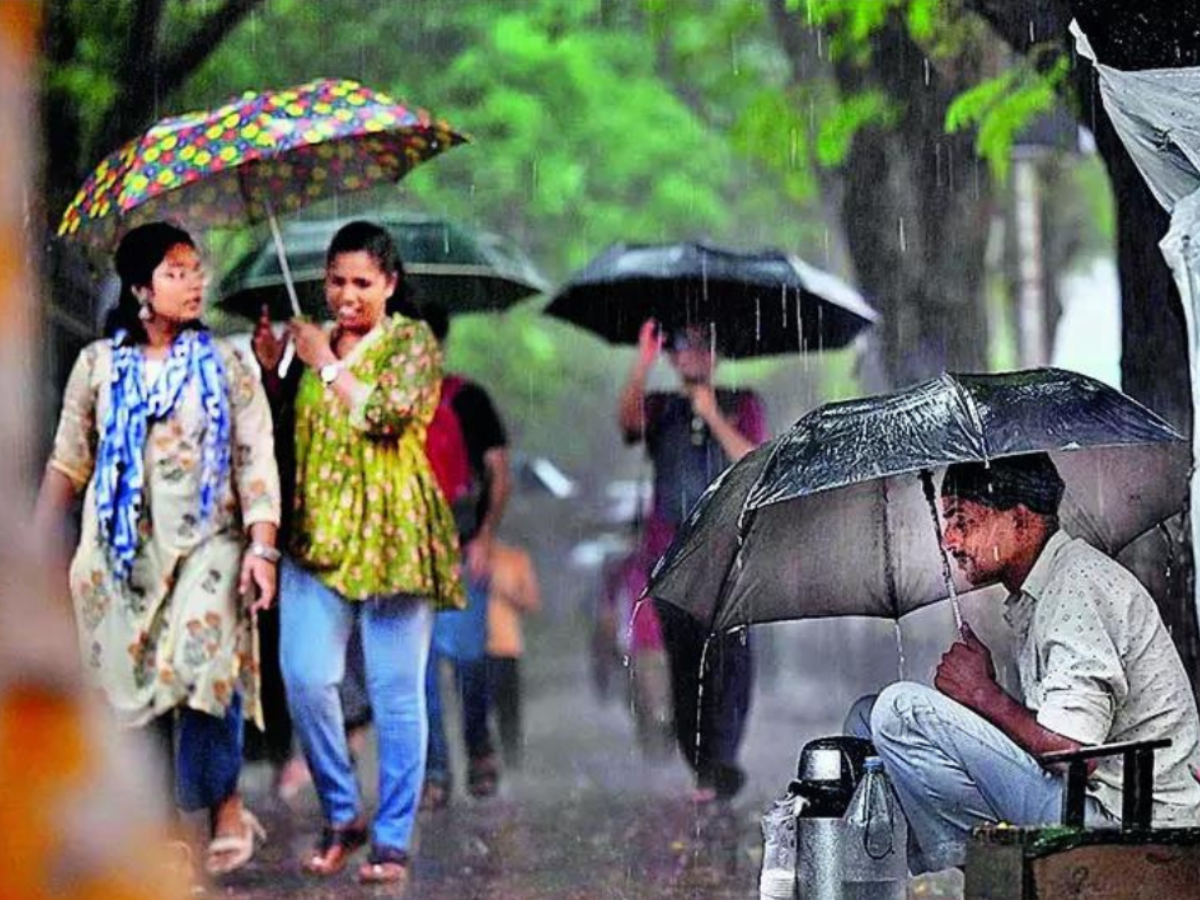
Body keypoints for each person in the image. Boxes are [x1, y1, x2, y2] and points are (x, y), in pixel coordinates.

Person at [34, 222, 282, 879]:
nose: (194, 281)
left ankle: (226, 807)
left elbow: (257, 455)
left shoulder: (229, 363)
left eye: (196, 269)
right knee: (128, 689)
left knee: (204, 664)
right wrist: (32, 548)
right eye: (176, 271)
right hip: (119, 554)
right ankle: (163, 824)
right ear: (142, 288)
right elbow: (68, 461)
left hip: (210, 543)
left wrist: (263, 547)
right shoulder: (99, 366)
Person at [845, 453, 1200, 875]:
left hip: (1125, 823)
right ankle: (872, 876)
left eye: (962, 521)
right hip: (1081, 797)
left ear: (1021, 520)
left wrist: (985, 696)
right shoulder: (1041, 590)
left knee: (900, 710)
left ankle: (990, 877)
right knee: (867, 719)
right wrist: (986, 699)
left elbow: (1076, 755)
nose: (949, 542)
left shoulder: (1077, 586)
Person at [252, 221, 463, 887]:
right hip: (315, 538)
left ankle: (392, 838)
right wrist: (273, 371)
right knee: (305, 678)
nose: (347, 295)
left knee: (396, 693)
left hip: (396, 542)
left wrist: (325, 363)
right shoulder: (308, 344)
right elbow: (288, 433)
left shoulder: (412, 343)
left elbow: (386, 416)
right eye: (337, 281)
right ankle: (342, 813)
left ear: (390, 284)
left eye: (362, 283)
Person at [619, 318, 767, 801]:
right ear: (672, 354)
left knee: (731, 655)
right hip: (671, 554)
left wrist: (714, 415)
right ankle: (701, 762)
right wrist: (641, 365)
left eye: (705, 344)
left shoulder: (742, 402)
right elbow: (628, 424)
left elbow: (755, 461)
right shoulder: (661, 407)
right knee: (685, 664)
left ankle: (722, 759)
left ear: (718, 354)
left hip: (729, 552)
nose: (695, 354)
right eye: (684, 345)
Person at [419, 301, 512, 809]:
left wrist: (485, 537)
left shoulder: (469, 400)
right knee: (423, 669)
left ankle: (479, 747)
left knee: (469, 660)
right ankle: (435, 772)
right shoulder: (388, 402)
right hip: (410, 557)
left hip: (461, 548)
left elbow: (499, 471)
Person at [485, 539, 541, 770]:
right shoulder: (459, 557)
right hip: (472, 648)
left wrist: (500, 589)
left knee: (508, 712)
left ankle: (512, 761)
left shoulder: (514, 558)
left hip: (506, 646)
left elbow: (532, 602)